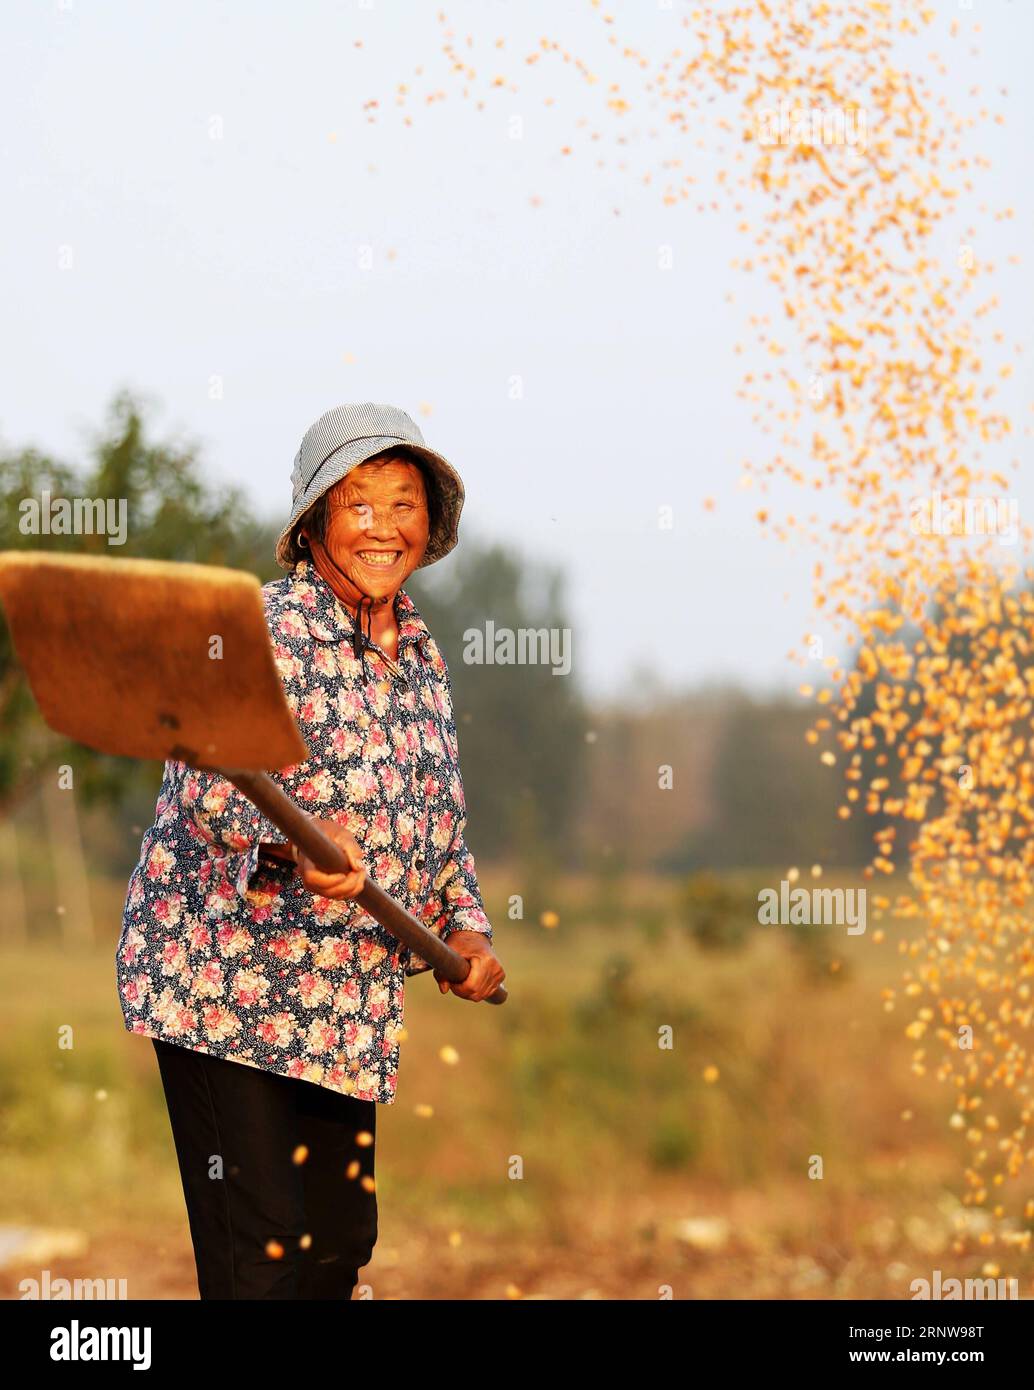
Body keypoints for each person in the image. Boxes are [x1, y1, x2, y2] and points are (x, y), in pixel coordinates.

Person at [115, 402, 505, 1299]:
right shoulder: (259, 628)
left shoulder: (421, 655)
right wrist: (297, 847)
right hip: (223, 988)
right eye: (358, 503)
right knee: (263, 1259)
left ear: (430, 524)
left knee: (338, 1245)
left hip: (344, 1003)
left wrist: (467, 930)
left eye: (403, 504)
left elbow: (436, 820)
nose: (383, 526)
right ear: (315, 519)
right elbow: (207, 783)